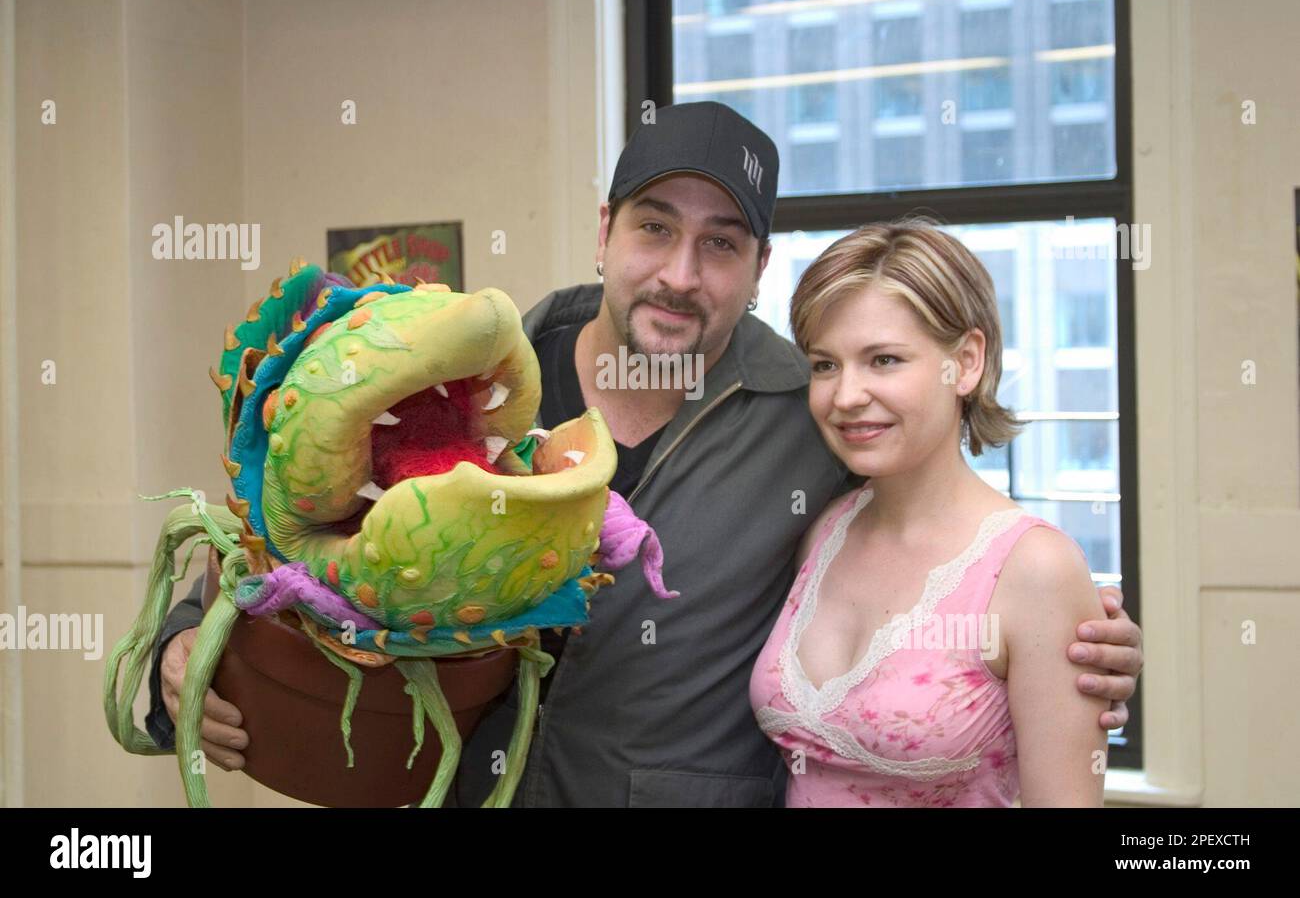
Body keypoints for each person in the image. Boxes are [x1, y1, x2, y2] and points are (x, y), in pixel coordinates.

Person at [148, 102, 1143, 807]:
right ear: (603, 232)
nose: (678, 273)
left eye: (720, 244)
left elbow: (942, 533)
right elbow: (285, 512)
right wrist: (180, 640)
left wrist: (1072, 636)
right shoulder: (482, 373)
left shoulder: (809, 410)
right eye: (653, 227)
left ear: (758, 269)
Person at [752, 221, 1110, 806]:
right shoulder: (822, 530)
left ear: (966, 362)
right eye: (824, 365)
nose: (845, 396)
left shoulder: (1035, 568)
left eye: (884, 359)